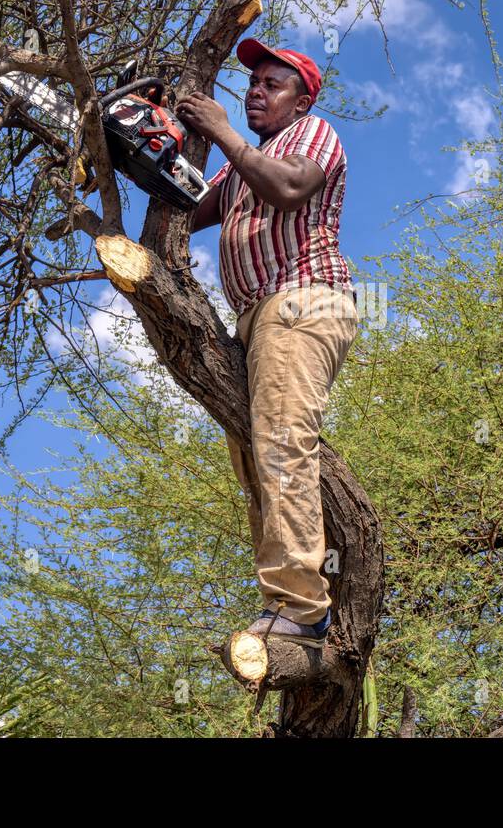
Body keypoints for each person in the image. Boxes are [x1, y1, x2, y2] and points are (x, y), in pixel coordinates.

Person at [178, 38, 357, 648]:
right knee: (255, 456)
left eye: (272, 84)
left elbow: (288, 188)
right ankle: (288, 598)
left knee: (281, 440)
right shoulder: (239, 166)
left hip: (301, 297)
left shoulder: (311, 136)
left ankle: (302, 606)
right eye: (252, 82)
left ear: (301, 100)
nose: (257, 90)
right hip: (257, 315)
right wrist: (144, 139)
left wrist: (224, 133)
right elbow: (184, 202)